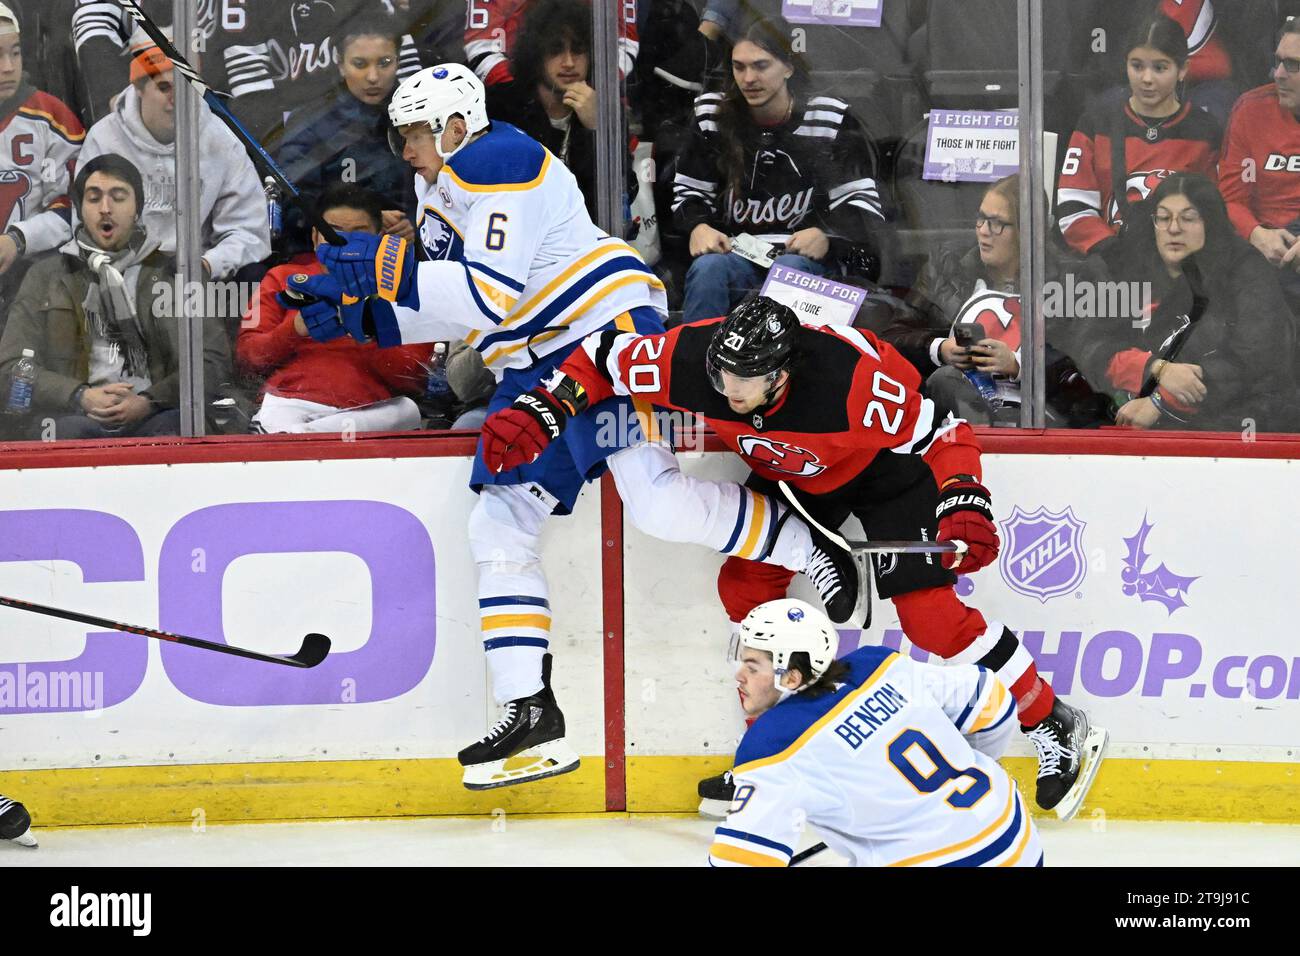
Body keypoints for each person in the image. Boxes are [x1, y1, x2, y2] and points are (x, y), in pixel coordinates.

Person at [292, 63, 859, 791]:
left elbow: (490, 295)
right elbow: (462, 306)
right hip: (540, 360)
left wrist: (385, 269)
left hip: (605, 336)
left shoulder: (498, 157)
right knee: (570, 514)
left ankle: (804, 541)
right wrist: (362, 312)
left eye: (412, 133)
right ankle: (533, 714)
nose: (403, 150)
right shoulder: (438, 191)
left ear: (454, 125)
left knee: (566, 511)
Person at [480, 296, 1110, 817]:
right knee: (745, 593)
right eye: (722, 377)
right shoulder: (697, 359)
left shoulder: (852, 387)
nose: (726, 392)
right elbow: (600, 357)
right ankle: (770, 762)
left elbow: (946, 432)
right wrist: (544, 407)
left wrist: (964, 498)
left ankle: (1053, 719)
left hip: (881, 469)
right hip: (798, 478)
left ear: (781, 373)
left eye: (744, 382)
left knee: (932, 622)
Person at [707, 599, 1040, 867]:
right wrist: (962, 761)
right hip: (1016, 837)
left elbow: (742, 860)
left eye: (752, 667)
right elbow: (991, 700)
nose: (739, 676)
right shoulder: (879, 664)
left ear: (791, 677)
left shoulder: (772, 744)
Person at [0, 153, 231, 438]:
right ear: (81, 209)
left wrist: (149, 400)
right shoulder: (45, 275)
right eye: (94, 198)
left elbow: (212, 361)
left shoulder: (176, 274)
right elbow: (10, 367)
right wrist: (79, 396)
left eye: (118, 197)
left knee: (177, 430)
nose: (105, 208)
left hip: (157, 413)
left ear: (137, 209)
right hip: (73, 415)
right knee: (65, 433)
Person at [671, 22, 886, 323]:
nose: (749, 79)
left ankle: (780, 367)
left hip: (808, 263)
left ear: (788, 67)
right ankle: (695, 363)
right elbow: (688, 193)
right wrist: (698, 226)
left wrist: (827, 236)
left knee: (791, 272)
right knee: (709, 269)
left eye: (761, 66)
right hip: (737, 256)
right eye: (739, 67)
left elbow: (862, 206)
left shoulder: (829, 117)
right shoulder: (712, 115)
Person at [1069, 172, 1296, 431]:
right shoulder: (1128, 267)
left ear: (1209, 222)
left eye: (1188, 218)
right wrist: (1155, 368)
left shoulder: (1245, 270)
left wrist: (1159, 403)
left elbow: (1252, 359)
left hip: (1233, 424)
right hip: (1127, 415)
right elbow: (1089, 345)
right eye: (1164, 218)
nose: (1174, 228)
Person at [887, 175, 1113, 427]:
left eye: (997, 224)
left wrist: (1018, 366)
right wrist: (940, 349)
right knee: (945, 378)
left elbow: (1090, 363)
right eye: (981, 219)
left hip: (1044, 420)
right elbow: (892, 338)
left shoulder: (1076, 280)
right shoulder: (946, 266)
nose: (983, 231)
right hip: (953, 414)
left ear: (1030, 230)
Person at [237, 185, 430, 434]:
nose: (344, 245)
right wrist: (295, 329)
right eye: (334, 233)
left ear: (381, 238)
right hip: (291, 403)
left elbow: (415, 377)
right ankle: (305, 437)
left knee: (407, 410)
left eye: (359, 234)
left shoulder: (404, 288)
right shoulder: (282, 278)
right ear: (316, 237)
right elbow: (247, 359)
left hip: (370, 412)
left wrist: (365, 328)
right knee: (279, 417)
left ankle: (301, 439)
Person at [77, 46, 270, 282]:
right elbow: (85, 229)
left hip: (201, 278)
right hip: (123, 274)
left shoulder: (221, 139)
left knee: (252, 275)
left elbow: (248, 231)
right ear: (139, 89)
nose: (175, 100)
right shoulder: (104, 139)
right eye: (164, 87)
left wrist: (208, 265)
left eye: (184, 88)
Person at [1057, 13, 1221, 262]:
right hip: (1110, 268)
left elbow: (1215, 214)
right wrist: (1113, 253)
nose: (1146, 79)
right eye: (1137, 65)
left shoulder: (1205, 132)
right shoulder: (1096, 122)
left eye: (1160, 68)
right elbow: (1072, 208)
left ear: (1182, 70)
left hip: (1183, 273)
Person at [277, 16, 418, 251]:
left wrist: (415, 225)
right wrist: (364, 223)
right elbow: (294, 209)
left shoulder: (421, 115)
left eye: (384, 62)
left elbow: (448, 193)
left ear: (398, 61)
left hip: (412, 258)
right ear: (341, 64)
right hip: (333, 257)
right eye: (360, 64)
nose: (373, 76)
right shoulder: (311, 122)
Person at [484, 0, 609, 217]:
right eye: (556, 50)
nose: (569, 62)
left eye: (578, 50)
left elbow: (623, 190)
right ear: (536, 55)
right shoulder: (500, 107)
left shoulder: (603, 107)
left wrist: (595, 129)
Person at [0, 3, 85, 304]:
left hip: (34, 283)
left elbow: (71, 212)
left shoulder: (53, 118)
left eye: (15, 52)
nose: (8, 67)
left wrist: (18, 239)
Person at [1218, 18, 1300, 312]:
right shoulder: (1251, 109)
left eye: (1293, 65)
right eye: (1278, 61)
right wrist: (1256, 234)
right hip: (1263, 248)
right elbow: (1230, 199)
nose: (1278, 74)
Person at [465, 0, 638, 87]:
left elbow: (624, 46)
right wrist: (524, 95)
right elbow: (482, 50)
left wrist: (596, 91)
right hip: (517, 106)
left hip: (593, 103)